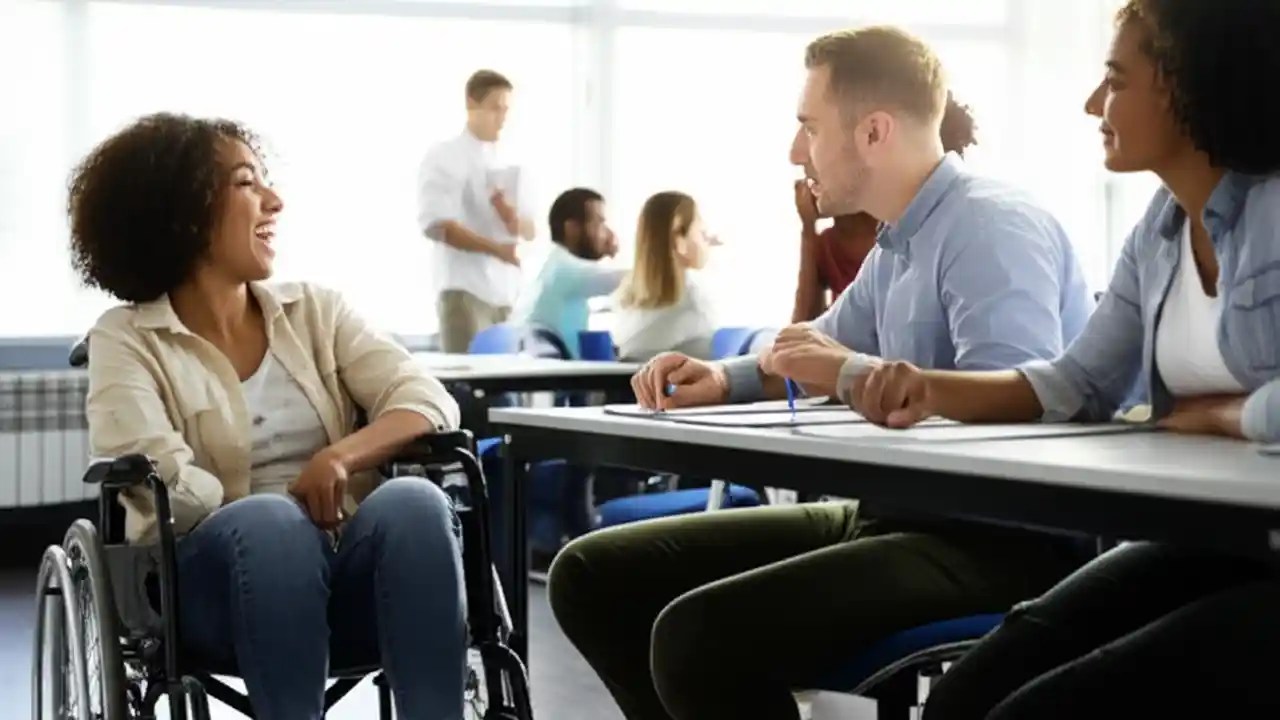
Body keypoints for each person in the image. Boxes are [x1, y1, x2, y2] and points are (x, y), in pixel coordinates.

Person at [548, 26, 1095, 720]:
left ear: (873, 132)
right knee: (591, 575)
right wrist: (723, 378)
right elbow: (822, 349)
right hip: (896, 513)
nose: (794, 151)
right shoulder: (900, 239)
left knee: (698, 638)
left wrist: (848, 373)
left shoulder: (991, 227)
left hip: (1001, 539)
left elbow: (1023, 404)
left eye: (808, 127)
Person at [822, 2, 1278, 718]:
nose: (1094, 102)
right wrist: (927, 388)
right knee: (961, 700)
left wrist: (1228, 414)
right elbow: (1076, 384)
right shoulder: (1156, 235)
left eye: (1115, 79)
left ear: (1190, 83)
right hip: (1209, 543)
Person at [72, 113, 469, 720]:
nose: (275, 201)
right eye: (247, 183)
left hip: (346, 572)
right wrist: (277, 518)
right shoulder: (126, 339)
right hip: (204, 591)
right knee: (268, 524)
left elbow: (426, 398)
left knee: (415, 501)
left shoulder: (316, 311)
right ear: (184, 211)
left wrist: (340, 457)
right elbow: (159, 482)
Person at [792, 92, 979, 322]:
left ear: (875, 136)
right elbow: (803, 339)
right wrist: (807, 230)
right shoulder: (854, 251)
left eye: (813, 131)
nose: (797, 156)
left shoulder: (929, 243)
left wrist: (852, 360)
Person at [418, 69, 536, 353]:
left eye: (506, 109)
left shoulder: (509, 160)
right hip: (465, 291)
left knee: (508, 387)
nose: (502, 118)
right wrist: (497, 250)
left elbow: (530, 230)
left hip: (506, 295)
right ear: (471, 104)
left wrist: (509, 216)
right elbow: (439, 226)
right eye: (495, 108)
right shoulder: (445, 155)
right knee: (469, 383)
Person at [513, 187, 624, 357]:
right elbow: (623, 281)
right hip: (550, 373)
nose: (607, 233)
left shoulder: (547, 259)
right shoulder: (562, 268)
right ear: (572, 228)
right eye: (599, 223)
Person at [612, 191, 720, 362]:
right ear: (679, 239)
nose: (711, 240)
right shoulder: (695, 301)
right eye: (702, 232)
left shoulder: (625, 304)